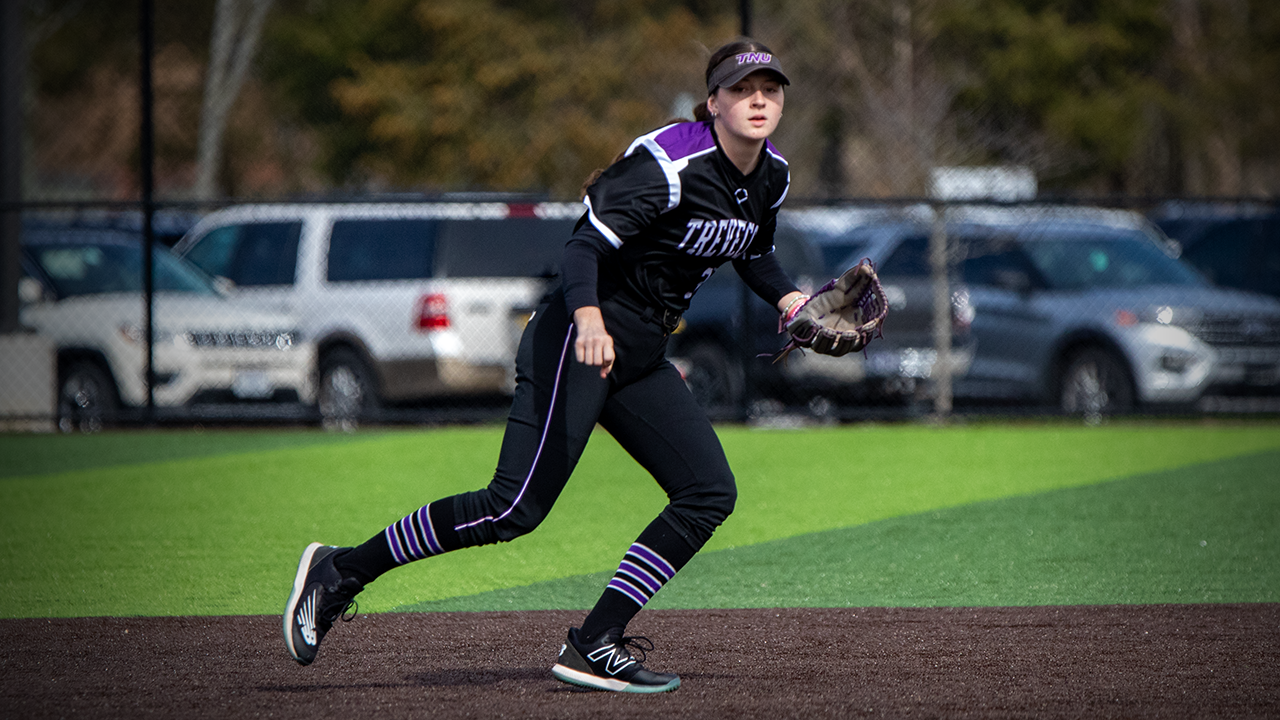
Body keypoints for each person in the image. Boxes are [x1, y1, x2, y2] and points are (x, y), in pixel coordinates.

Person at [284, 38, 808, 694]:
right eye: (741, 89)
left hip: (640, 355)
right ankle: (341, 571)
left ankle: (595, 641)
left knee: (708, 492)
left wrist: (789, 298)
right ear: (713, 104)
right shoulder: (668, 163)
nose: (758, 100)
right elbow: (584, 245)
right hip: (574, 337)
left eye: (770, 89)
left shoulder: (773, 176)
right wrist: (589, 318)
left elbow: (753, 248)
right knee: (512, 510)